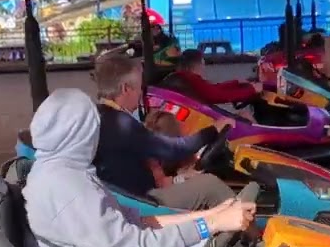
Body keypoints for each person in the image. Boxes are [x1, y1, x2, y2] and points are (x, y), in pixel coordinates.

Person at [22, 88, 330, 247]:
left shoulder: (67, 172)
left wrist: (212, 217)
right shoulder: (65, 188)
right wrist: (208, 224)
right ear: (80, 132)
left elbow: (139, 221)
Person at [93, 53, 234, 210]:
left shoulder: (98, 116)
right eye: (139, 88)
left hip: (127, 198)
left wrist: (178, 179)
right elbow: (175, 149)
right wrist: (214, 129)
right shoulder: (121, 124)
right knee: (210, 185)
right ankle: (253, 233)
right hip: (141, 203)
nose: (140, 94)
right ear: (126, 89)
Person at [171, 49, 261, 106]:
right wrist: (252, 90)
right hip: (200, 122)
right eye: (203, 63)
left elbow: (212, 89)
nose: (204, 67)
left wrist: (236, 83)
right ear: (197, 64)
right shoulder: (191, 79)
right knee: (245, 117)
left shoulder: (183, 77)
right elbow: (217, 95)